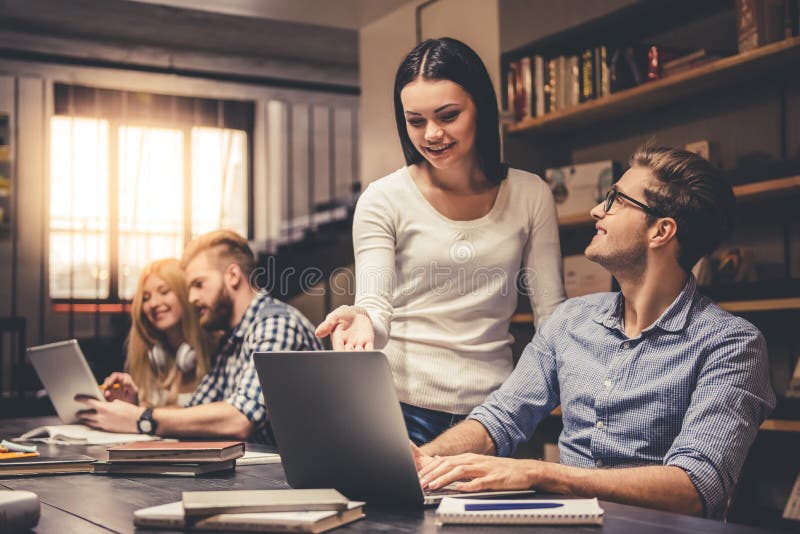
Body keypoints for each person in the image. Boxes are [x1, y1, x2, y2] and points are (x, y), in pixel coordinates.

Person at [412, 146, 775, 519]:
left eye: (616, 200)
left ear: (661, 231)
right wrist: (424, 461)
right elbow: (501, 418)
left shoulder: (731, 345)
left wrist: (539, 473)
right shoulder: (571, 320)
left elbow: (695, 486)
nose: (597, 210)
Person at [316, 37, 566, 445]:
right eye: (415, 121)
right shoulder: (383, 199)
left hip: (495, 413)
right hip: (400, 408)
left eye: (448, 115)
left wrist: (541, 398)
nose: (432, 134)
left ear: (480, 108)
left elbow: (551, 317)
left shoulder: (530, 194)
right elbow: (376, 309)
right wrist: (361, 320)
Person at [77, 230, 323, 443]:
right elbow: (196, 413)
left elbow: (240, 418)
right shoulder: (232, 339)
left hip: (297, 484)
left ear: (233, 276)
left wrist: (141, 419)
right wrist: (134, 410)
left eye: (198, 284)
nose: (192, 298)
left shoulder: (274, 324)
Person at [98, 258, 214, 409]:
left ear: (186, 294)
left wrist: (144, 414)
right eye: (146, 298)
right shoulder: (148, 358)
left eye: (164, 292)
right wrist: (131, 405)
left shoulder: (218, 352)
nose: (153, 303)